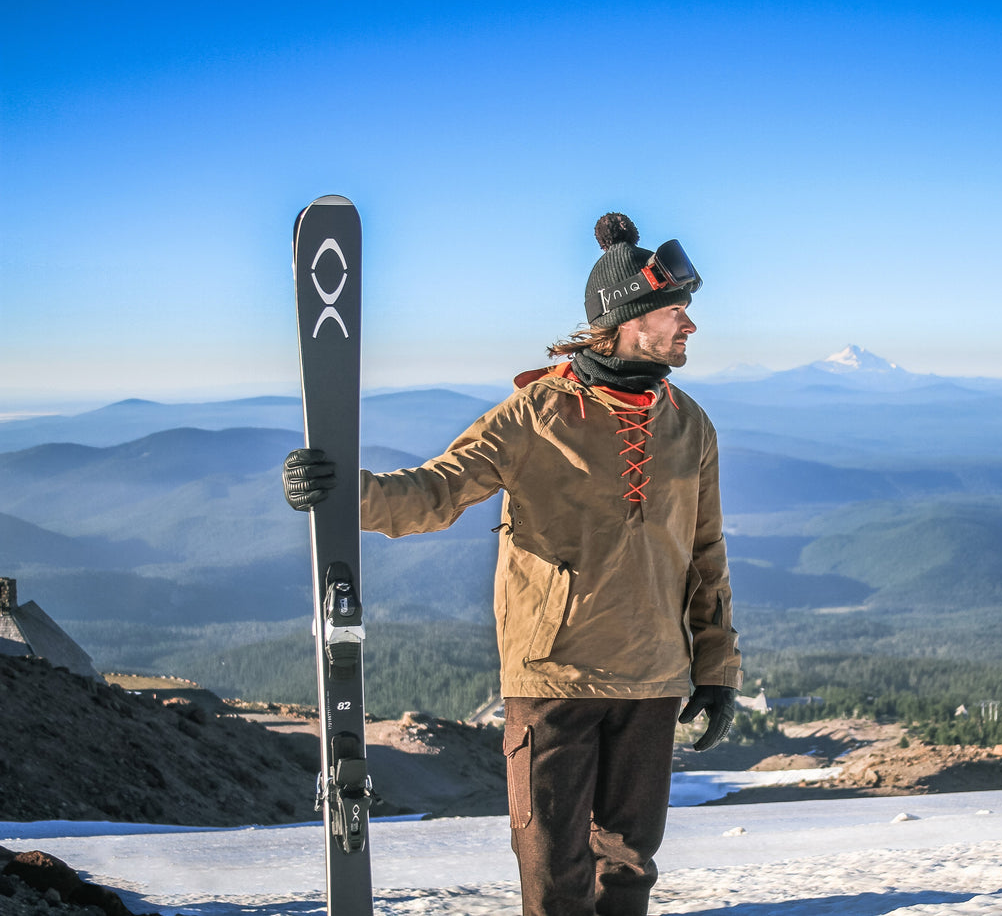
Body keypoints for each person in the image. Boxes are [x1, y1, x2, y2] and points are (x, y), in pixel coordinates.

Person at [283, 212, 742, 916]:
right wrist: (345, 495)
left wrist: (714, 669)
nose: (690, 327)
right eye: (676, 312)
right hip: (553, 677)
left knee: (626, 871)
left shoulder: (690, 424)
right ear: (625, 319)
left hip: (653, 678)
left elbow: (706, 558)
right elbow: (436, 490)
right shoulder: (535, 415)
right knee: (554, 879)